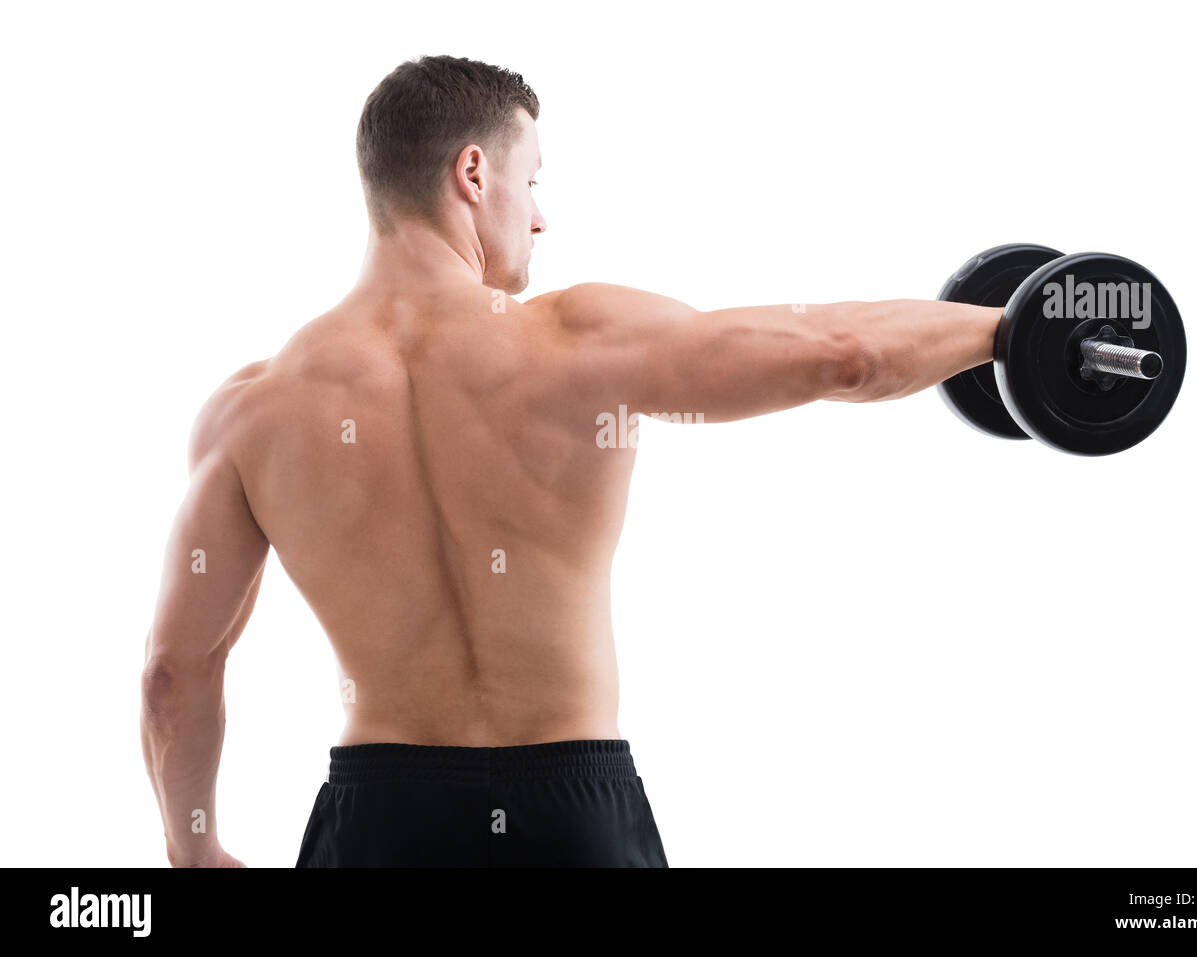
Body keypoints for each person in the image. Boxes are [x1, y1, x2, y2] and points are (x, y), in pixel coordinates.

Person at [140, 55, 1001, 867]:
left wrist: (195, 849)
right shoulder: (577, 341)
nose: (542, 215)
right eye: (534, 180)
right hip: (572, 811)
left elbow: (175, 672)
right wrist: (1014, 330)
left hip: (380, 820)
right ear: (473, 175)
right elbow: (844, 353)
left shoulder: (251, 410)